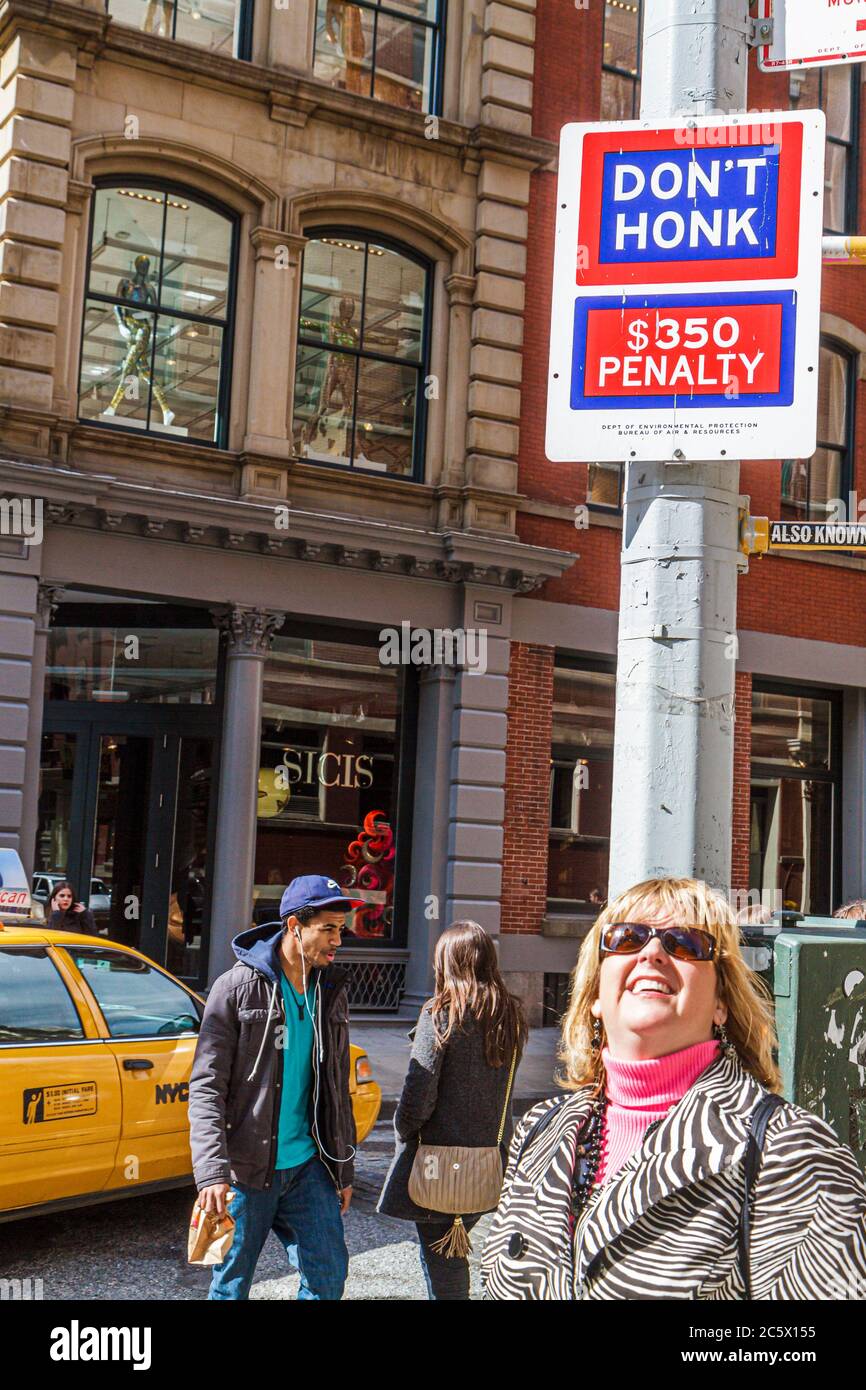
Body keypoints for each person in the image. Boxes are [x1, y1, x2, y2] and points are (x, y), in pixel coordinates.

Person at [483, 876, 866, 1300]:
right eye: (626, 938)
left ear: (721, 1001)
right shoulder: (539, 1130)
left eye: (684, 942)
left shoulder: (790, 1151)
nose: (652, 952)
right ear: (594, 993)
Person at [188, 874, 361, 1301]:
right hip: (247, 1171)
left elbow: (338, 1087)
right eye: (328, 929)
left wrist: (343, 1168)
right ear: (294, 926)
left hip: (309, 1166)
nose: (336, 940)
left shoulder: (331, 990)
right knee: (231, 1286)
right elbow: (207, 1085)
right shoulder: (237, 988)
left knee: (328, 1279)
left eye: (340, 929)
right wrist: (212, 1172)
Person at [378, 921, 528, 1301]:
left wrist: (403, 1130)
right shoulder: (508, 1015)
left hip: (436, 1161)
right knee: (453, 1255)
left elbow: (419, 1091)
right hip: (488, 1158)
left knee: (442, 1264)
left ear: (447, 962)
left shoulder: (440, 1014)